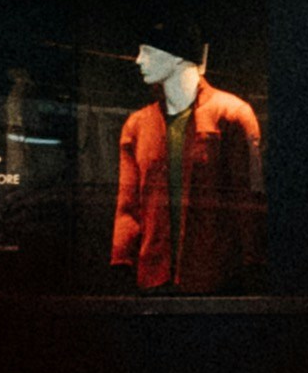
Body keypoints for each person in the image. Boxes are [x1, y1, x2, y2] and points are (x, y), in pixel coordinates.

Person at [110, 37, 267, 291]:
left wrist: (254, 262)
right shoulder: (138, 126)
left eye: (148, 50)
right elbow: (128, 205)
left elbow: (249, 198)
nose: (138, 59)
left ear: (178, 56)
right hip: (153, 280)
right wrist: (122, 260)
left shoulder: (233, 115)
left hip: (216, 279)